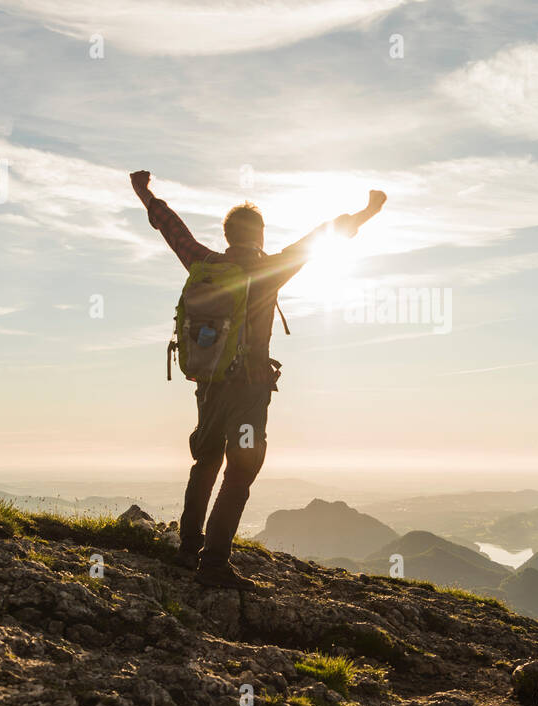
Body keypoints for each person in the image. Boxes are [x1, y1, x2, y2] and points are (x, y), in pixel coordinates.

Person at [129, 170, 386, 590]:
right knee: (241, 470)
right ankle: (213, 564)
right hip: (249, 391)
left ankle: (185, 552)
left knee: (205, 461)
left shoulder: (204, 261)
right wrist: (368, 211)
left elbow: (171, 227)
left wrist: (144, 193)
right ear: (260, 235)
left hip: (208, 386)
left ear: (227, 235)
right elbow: (323, 237)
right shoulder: (271, 268)